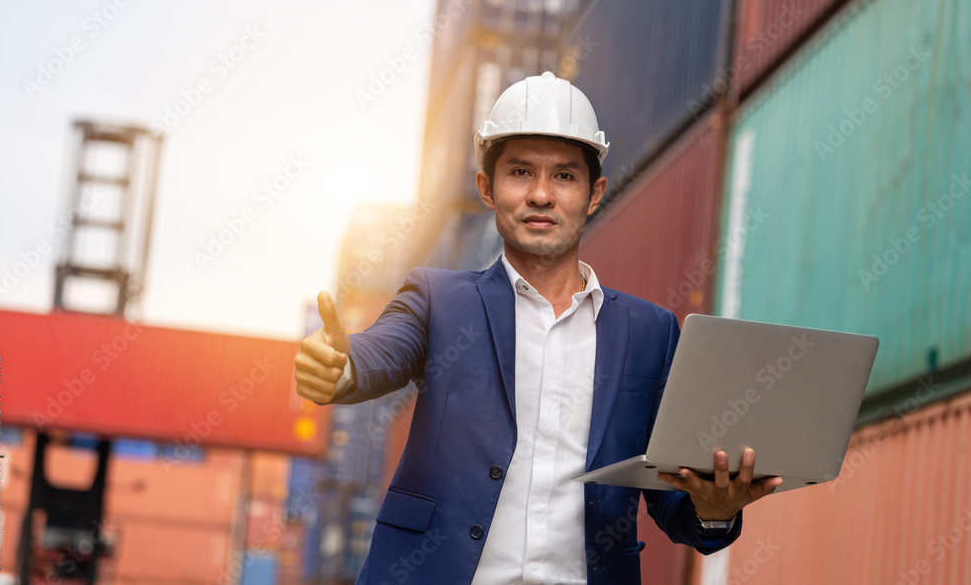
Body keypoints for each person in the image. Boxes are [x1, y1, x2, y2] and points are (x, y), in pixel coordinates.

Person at [294, 72, 781, 584]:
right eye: (521, 172)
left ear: (595, 194)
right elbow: (379, 352)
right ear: (487, 187)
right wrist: (342, 369)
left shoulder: (651, 334)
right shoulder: (439, 300)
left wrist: (715, 507)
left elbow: (672, 500)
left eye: (565, 177)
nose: (542, 195)